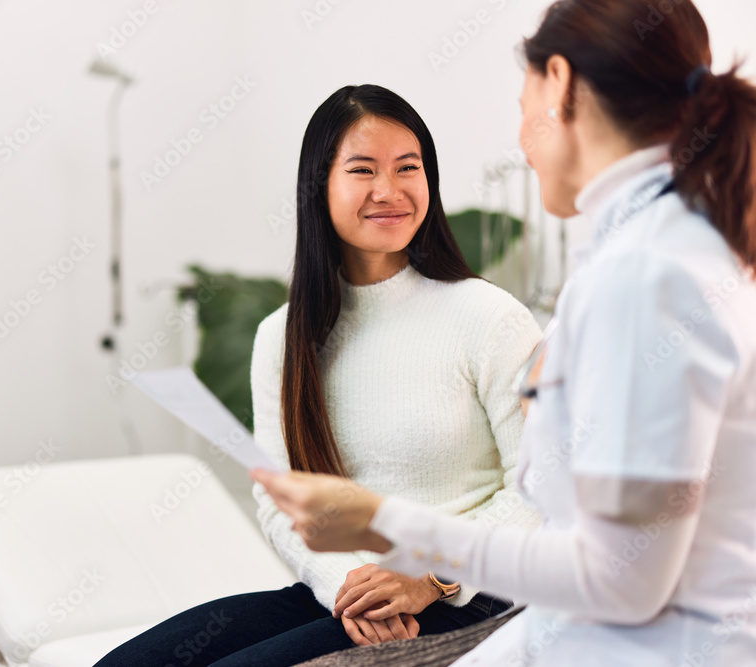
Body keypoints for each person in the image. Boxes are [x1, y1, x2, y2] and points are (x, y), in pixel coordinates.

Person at [254, 1, 756, 665]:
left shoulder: (646, 275)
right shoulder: (645, 257)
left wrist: (388, 525)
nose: (521, 137)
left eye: (523, 104)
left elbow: (624, 580)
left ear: (560, 81)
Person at [95, 84, 542, 667]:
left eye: (409, 168)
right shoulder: (283, 336)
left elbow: (540, 487)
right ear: (319, 186)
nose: (389, 190)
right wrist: (348, 587)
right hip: (345, 594)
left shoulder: (489, 317)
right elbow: (283, 502)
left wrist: (428, 578)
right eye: (363, 170)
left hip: (470, 598)